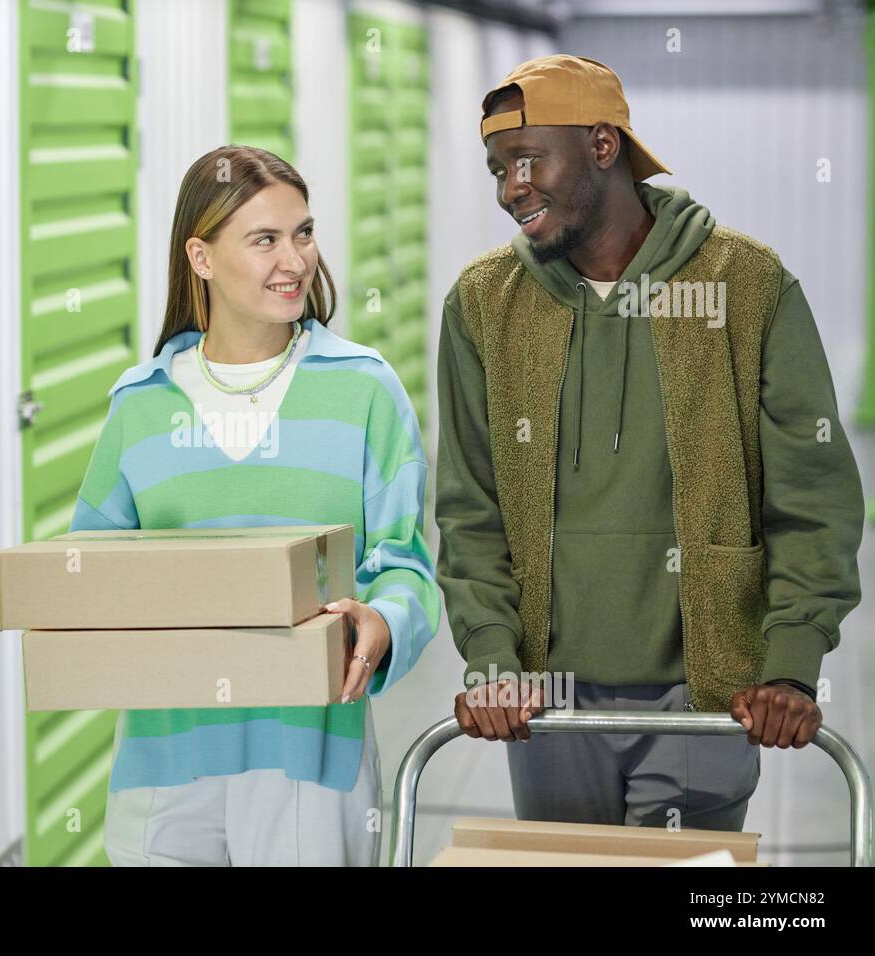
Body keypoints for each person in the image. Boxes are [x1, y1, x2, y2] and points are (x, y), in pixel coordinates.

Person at [435, 55, 863, 829]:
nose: (510, 188)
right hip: (545, 699)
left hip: (706, 693)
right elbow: (471, 510)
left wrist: (792, 669)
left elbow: (811, 496)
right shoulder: (481, 305)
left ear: (603, 145)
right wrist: (494, 662)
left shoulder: (746, 285)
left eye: (528, 160)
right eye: (498, 169)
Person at [69, 145, 441, 865]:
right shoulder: (141, 404)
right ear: (201, 258)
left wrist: (384, 621)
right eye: (264, 240)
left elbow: (406, 564)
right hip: (165, 758)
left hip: (311, 752)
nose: (295, 261)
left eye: (303, 233)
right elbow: (93, 570)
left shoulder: (363, 389)